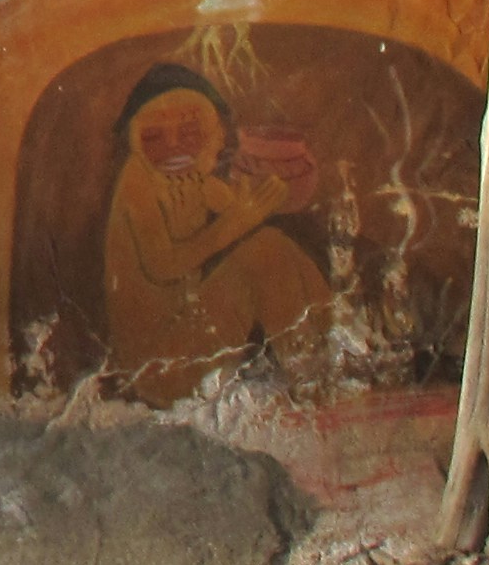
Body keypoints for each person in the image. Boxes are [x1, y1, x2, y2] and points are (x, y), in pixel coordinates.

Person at [98, 62, 338, 406]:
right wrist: (237, 221)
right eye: (154, 138)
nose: (173, 148)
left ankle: (335, 350)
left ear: (215, 135)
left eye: (189, 134)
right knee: (259, 255)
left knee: (270, 244)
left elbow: (237, 208)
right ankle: (311, 381)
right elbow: (163, 264)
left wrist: (264, 195)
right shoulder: (137, 181)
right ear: (135, 141)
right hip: (158, 370)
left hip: (189, 334)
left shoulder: (190, 176)